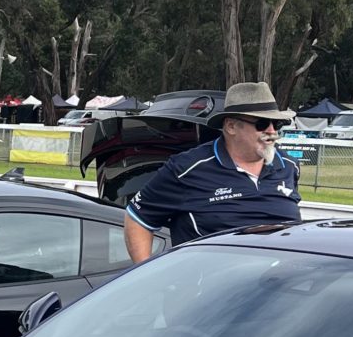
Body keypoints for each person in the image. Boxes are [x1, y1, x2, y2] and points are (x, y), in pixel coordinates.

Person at [123, 81, 302, 262]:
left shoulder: (289, 166)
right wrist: (148, 279)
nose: (272, 132)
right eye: (262, 124)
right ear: (231, 126)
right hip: (209, 287)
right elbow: (138, 220)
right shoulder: (186, 168)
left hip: (277, 286)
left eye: (277, 124)